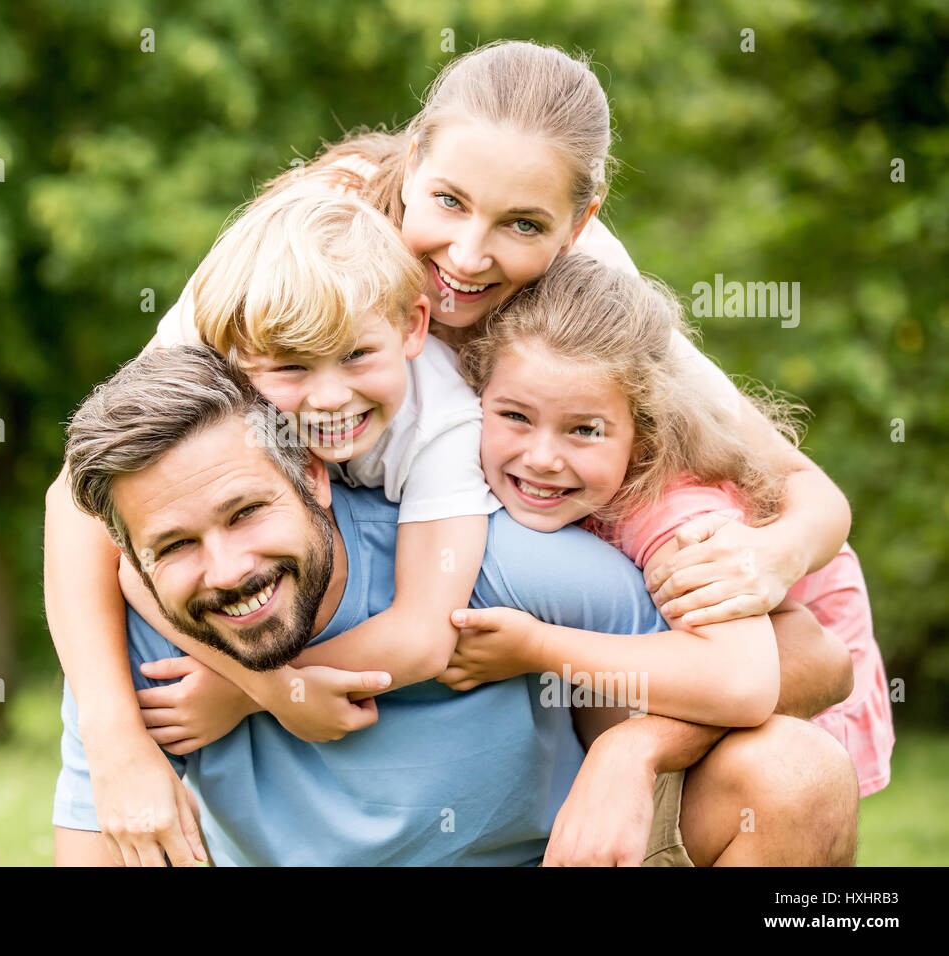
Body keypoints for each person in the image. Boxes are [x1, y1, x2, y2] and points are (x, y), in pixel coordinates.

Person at [43, 39, 855, 863]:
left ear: (580, 223)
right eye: (451, 203)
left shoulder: (584, 333)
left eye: (524, 224)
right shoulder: (297, 262)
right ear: (415, 157)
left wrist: (773, 555)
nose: (467, 258)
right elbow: (91, 494)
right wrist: (142, 735)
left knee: (789, 761)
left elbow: (810, 556)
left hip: (661, 577)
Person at [54, 344, 859, 867]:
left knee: (793, 771)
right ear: (130, 559)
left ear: (313, 476)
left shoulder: (483, 556)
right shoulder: (131, 647)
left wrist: (635, 748)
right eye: (177, 545)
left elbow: (812, 661)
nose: (227, 570)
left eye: (244, 513)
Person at [441, 254, 893, 796]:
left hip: (803, 673)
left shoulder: (675, 514)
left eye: (583, 430)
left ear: (644, 435)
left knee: (772, 788)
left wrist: (535, 647)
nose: (541, 458)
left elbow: (742, 683)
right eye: (515, 416)